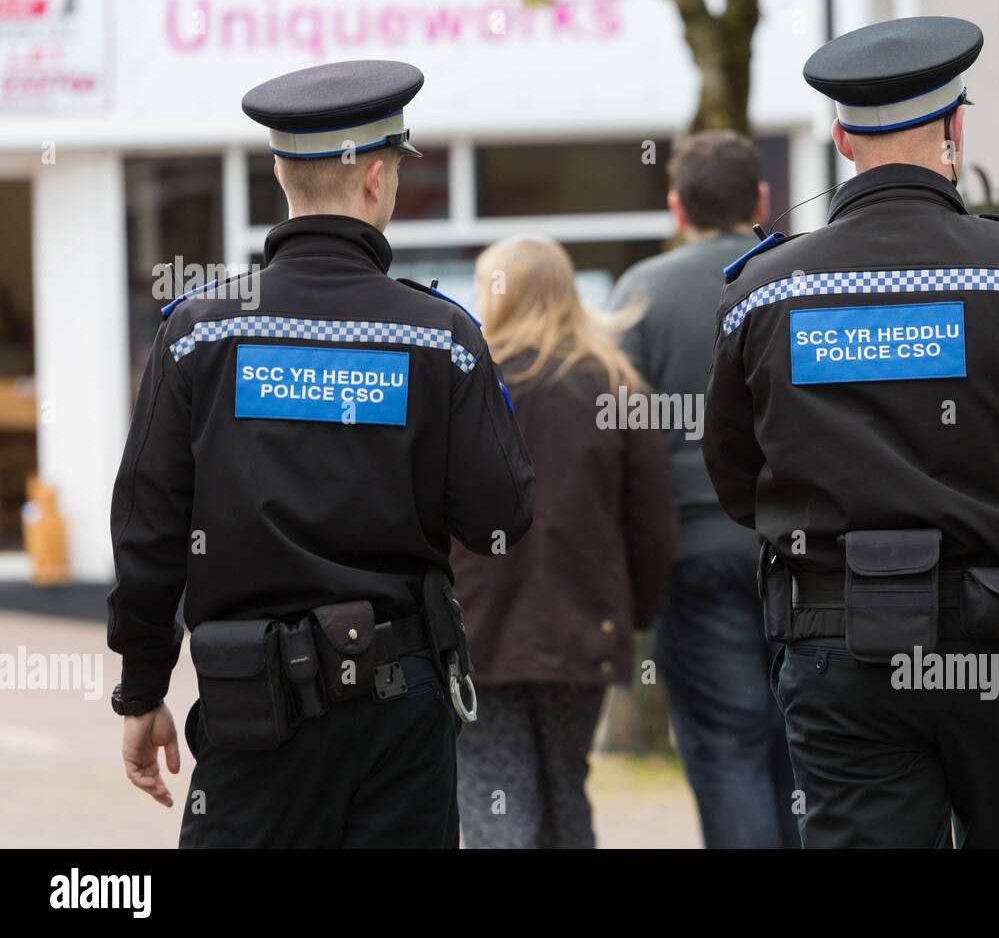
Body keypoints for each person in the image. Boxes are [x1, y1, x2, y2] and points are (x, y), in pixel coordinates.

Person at [702, 16, 999, 848]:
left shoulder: (762, 293)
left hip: (838, 647)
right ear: (955, 126)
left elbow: (736, 478)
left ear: (841, 139)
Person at [106, 60, 534, 848]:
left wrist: (142, 689)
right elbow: (502, 516)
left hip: (249, 714)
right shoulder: (440, 338)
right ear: (376, 178)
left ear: (279, 171)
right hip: (399, 713)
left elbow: (146, 529)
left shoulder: (198, 332)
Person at [451, 235, 676, 848]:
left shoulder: (464, 385)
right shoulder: (617, 386)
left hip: (478, 630)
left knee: (497, 798)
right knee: (565, 791)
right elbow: (653, 525)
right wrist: (633, 613)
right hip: (585, 628)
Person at [609, 130, 800, 849]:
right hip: (798, 552)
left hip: (691, 551)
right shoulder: (793, 277)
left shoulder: (641, 292)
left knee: (727, 750)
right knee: (804, 745)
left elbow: (622, 439)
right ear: (760, 199)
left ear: (675, 206)